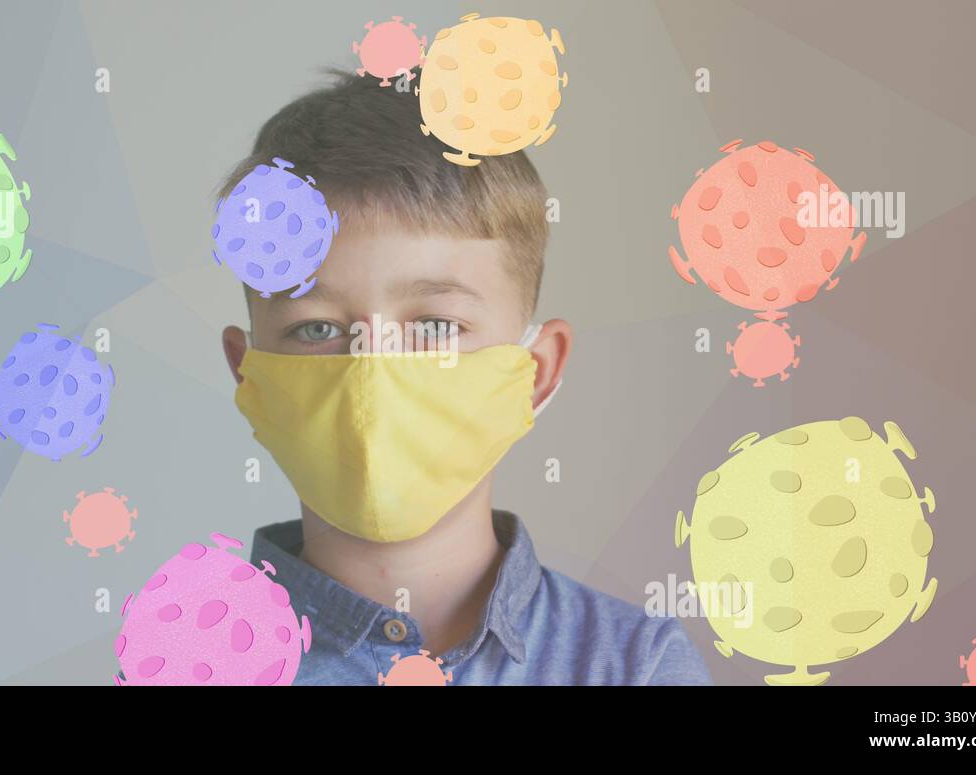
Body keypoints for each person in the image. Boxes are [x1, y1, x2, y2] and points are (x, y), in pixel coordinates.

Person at [217, 70, 712, 685]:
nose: (376, 372)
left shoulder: (634, 667)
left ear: (536, 371)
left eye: (434, 325)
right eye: (317, 329)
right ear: (249, 377)